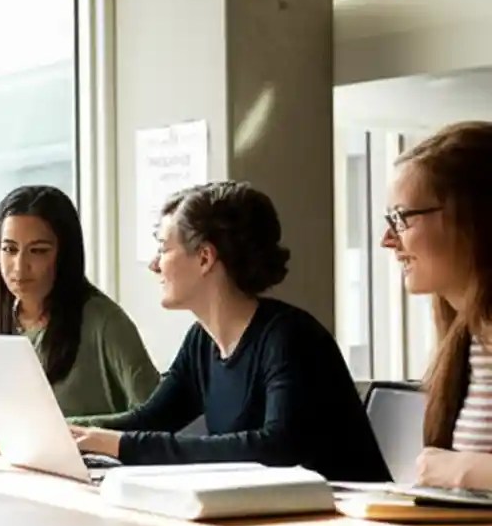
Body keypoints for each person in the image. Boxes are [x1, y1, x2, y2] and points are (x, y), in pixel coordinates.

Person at [71, 181, 389, 481]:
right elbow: (149, 420)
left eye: (163, 249)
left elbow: (275, 449)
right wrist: (66, 431)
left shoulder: (290, 338)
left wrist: (116, 444)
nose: (154, 265)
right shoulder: (201, 341)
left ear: (205, 258)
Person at [0, 185, 160, 448]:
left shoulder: (105, 322)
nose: (19, 266)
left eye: (38, 251)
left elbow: (161, 419)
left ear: (64, 254)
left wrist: (62, 429)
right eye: (9, 249)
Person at [380, 121, 492, 490]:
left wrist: (464, 471)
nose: (387, 240)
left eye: (401, 218)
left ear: (474, 216)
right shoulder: (470, 339)